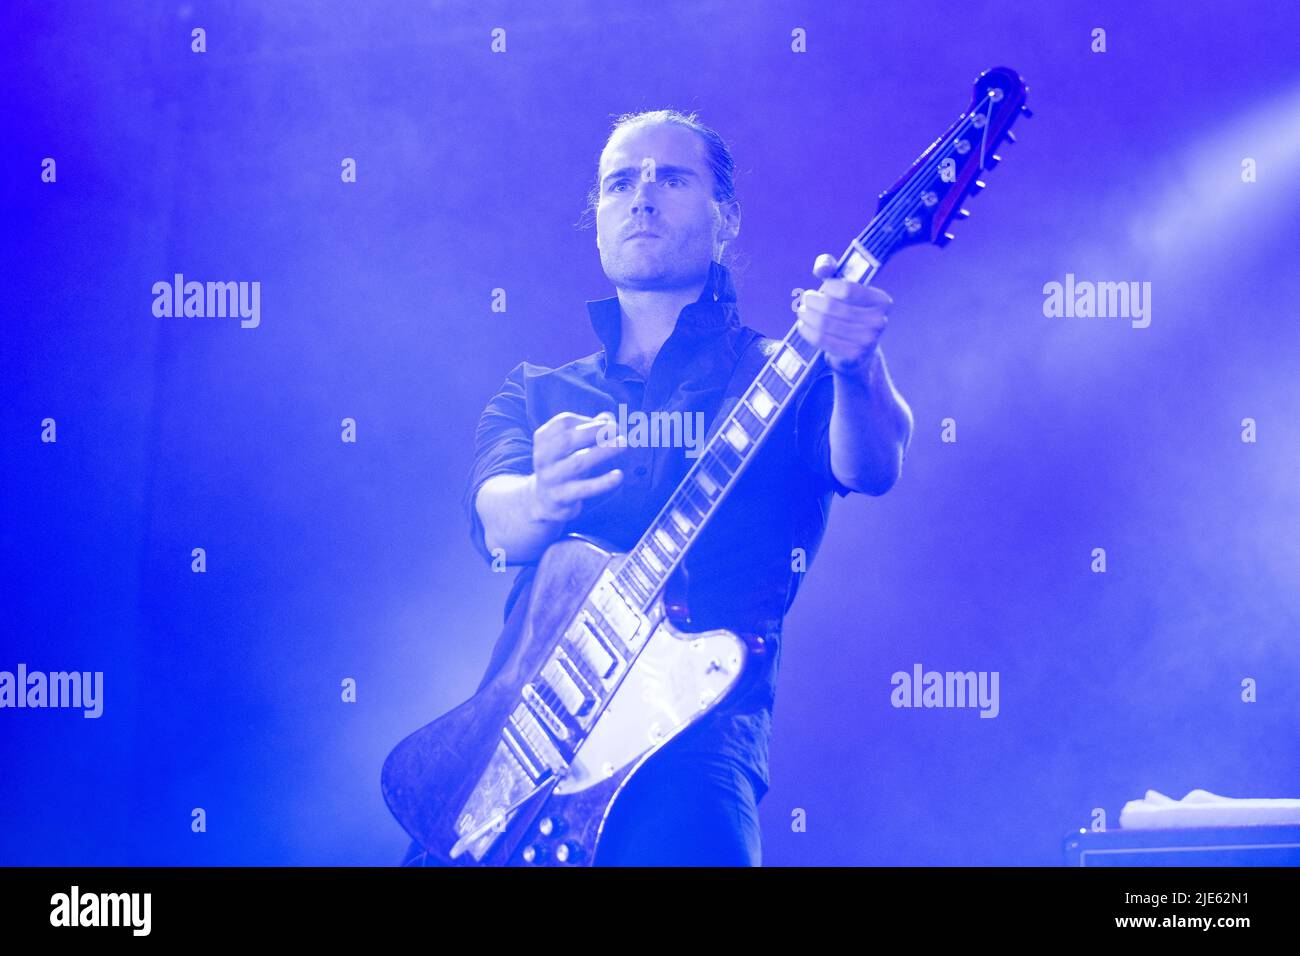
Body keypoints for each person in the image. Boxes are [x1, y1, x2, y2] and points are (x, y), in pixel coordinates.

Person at [402, 108, 913, 867]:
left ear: (725, 217)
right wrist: (541, 497)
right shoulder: (537, 391)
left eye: (671, 178)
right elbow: (498, 525)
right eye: (619, 183)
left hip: (690, 767)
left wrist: (853, 365)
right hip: (506, 766)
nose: (641, 197)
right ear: (599, 219)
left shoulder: (785, 373)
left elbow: (872, 465)